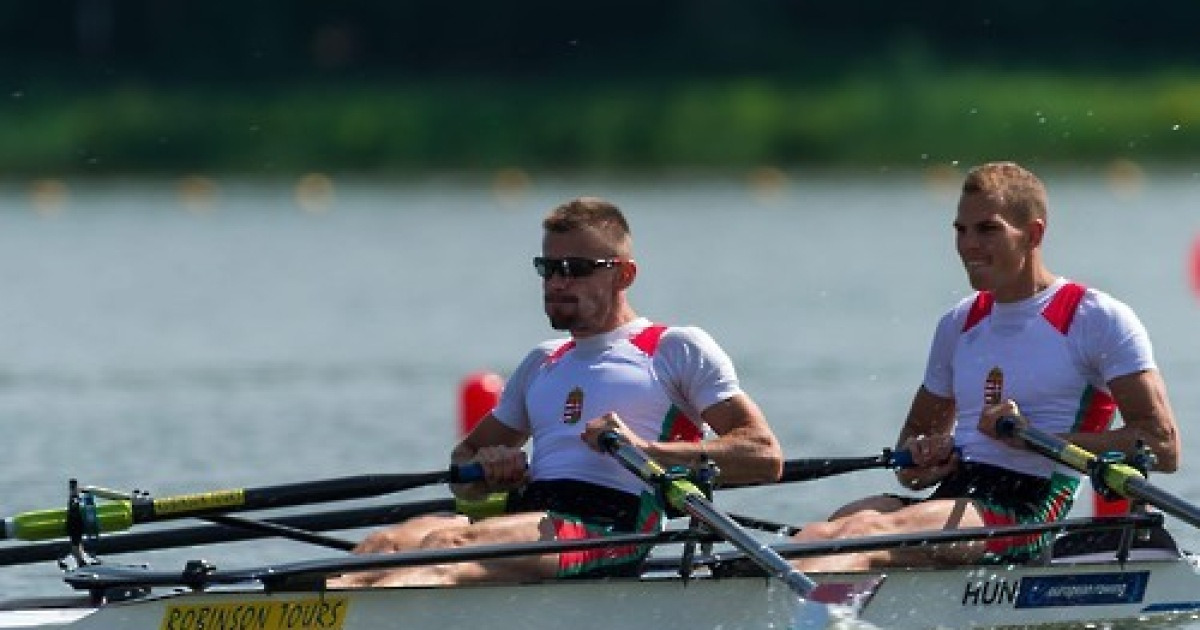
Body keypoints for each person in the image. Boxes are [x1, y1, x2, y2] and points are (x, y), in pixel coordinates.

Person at [330, 196, 782, 587]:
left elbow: (764, 456)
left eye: (576, 269)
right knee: (387, 543)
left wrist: (645, 450)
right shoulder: (542, 362)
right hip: (534, 514)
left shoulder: (673, 349)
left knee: (447, 544)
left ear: (623, 274)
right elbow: (462, 463)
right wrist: (485, 470)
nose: (557, 282)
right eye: (548, 268)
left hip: (613, 528)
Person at [789, 161, 1180, 571]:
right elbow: (911, 467)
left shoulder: (1095, 318)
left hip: (1027, 512)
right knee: (829, 529)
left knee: (862, 535)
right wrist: (923, 455)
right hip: (956, 499)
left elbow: (1162, 446)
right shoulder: (959, 322)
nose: (968, 245)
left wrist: (1033, 437)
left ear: (1033, 234)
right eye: (961, 230)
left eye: (987, 229)